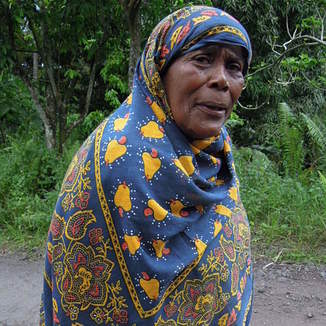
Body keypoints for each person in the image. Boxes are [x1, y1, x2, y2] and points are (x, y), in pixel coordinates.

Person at [40, 5, 253, 325]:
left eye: (234, 67)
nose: (222, 80)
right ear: (160, 69)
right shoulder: (115, 160)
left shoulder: (216, 156)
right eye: (203, 59)